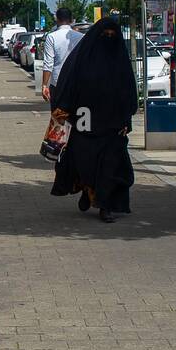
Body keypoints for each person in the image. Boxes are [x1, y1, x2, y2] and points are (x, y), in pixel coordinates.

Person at [49, 17, 137, 223]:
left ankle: (105, 205)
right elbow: (67, 87)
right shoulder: (81, 60)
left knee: (110, 167)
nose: (108, 39)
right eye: (104, 35)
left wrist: (126, 120)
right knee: (85, 164)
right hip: (84, 124)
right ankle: (87, 190)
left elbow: (127, 92)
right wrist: (63, 114)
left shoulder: (119, 61)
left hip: (112, 126)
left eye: (112, 36)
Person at [41, 7, 84, 104]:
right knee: (75, 116)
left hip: (58, 83)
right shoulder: (81, 37)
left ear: (57, 19)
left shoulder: (51, 37)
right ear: (72, 20)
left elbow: (48, 64)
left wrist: (44, 85)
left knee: (58, 116)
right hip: (76, 83)